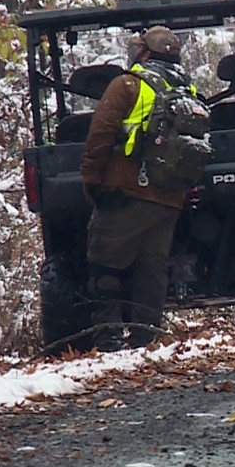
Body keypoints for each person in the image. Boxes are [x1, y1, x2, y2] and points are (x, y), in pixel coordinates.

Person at [79, 26, 193, 351]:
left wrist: (92, 180)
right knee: (152, 269)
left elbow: (100, 134)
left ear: (144, 53)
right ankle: (145, 337)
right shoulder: (186, 90)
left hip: (126, 191)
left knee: (104, 264)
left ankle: (109, 338)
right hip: (169, 197)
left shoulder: (128, 85)